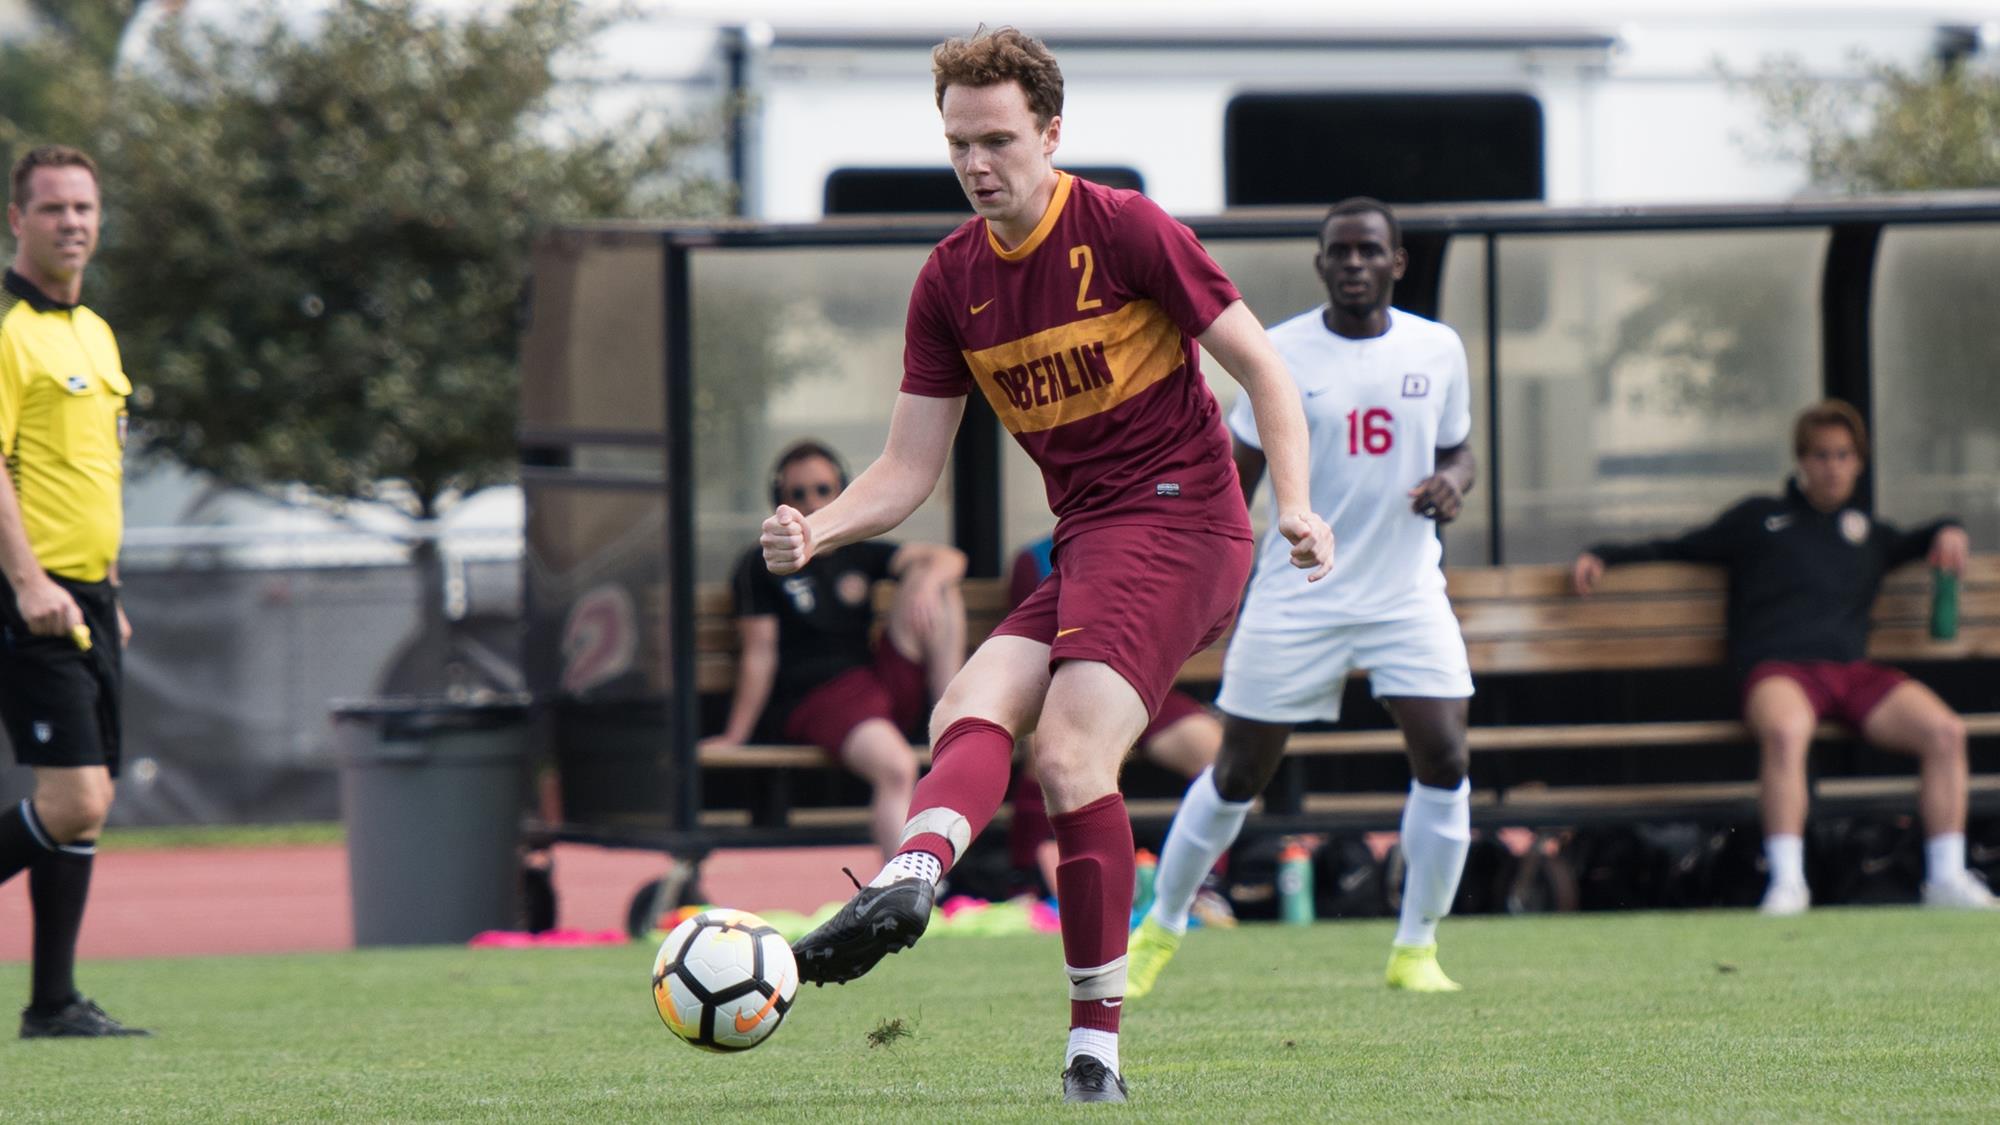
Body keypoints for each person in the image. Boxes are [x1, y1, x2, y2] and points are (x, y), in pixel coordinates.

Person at [768, 27, 1332, 1103]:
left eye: (997, 141)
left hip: (1184, 523)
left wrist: (1295, 505)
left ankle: (1093, 1053)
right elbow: (904, 468)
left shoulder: (1124, 231)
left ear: (1050, 133)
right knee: (964, 711)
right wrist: (820, 529)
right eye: (956, 146)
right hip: (1089, 537)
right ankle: (910, 880)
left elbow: (1264, 370)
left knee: (1070, 756)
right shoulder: (948, 280)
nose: (977, 165)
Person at [1126, 198, 1479, 1001]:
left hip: (1405, 591)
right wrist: (1202, 576)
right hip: (1300, 591)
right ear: (1321, 264)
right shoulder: (1278, 350)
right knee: (1238, 771)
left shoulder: (1438, 346)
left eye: (1369, 251)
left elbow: (1459, 449)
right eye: (1339, 252)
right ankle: (1162, 925)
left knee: (1448, 756)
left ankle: (1416, 948)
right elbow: (1234, 477)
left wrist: (1452, 483)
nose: (1354, 264)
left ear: (1398, 262)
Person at [1572, 400, 1994, 916]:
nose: (1832, 467)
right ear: (1801, 460)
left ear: (1858, 463)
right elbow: (1678, 546)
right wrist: (1604, 555)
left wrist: (1949, 527)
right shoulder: (1757, 520)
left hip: (1851, 676)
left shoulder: (1869, 535)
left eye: (1843, 455)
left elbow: (1922, 537)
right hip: (1778, 672)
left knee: (1946, 732)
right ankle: (1789, 882)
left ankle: (1947, 878)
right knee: (1787, 732)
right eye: (1820, 455)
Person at [0, 145, 149, 1038]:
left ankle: (52, 1000)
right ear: (18, 219)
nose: (72, 223)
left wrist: (108, 586)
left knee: (88, 801)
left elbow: (95, 468)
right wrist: (28, 579)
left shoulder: (93, 330)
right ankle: (51, 998)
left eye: (85, 207)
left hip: (88, 596)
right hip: (28, 593)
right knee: (74, 798)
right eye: (53, 208)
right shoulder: (8, 329)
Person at [700, 439, 967, 859]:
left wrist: (929, 581)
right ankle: (901, 894)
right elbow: (759, 654)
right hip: (820, 699)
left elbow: (950, 558)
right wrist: (737, 735)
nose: (812, 501)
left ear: (842, 491)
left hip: (877, 688)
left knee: (938, 586)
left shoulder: (857, 549)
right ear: (780, 502)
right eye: (798, 493)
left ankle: (953, 726)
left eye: (823, 490)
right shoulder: (762, 562)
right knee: (897, 768)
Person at [1003, 534, 1234, 925]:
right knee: (1042, 747)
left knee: (1217, 751)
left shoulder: (1151, 538)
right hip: (1068, 688)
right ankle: (1028, 883)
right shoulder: (1034, 557)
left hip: (1144, 688)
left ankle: (1203, 885)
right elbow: (1031, 638)